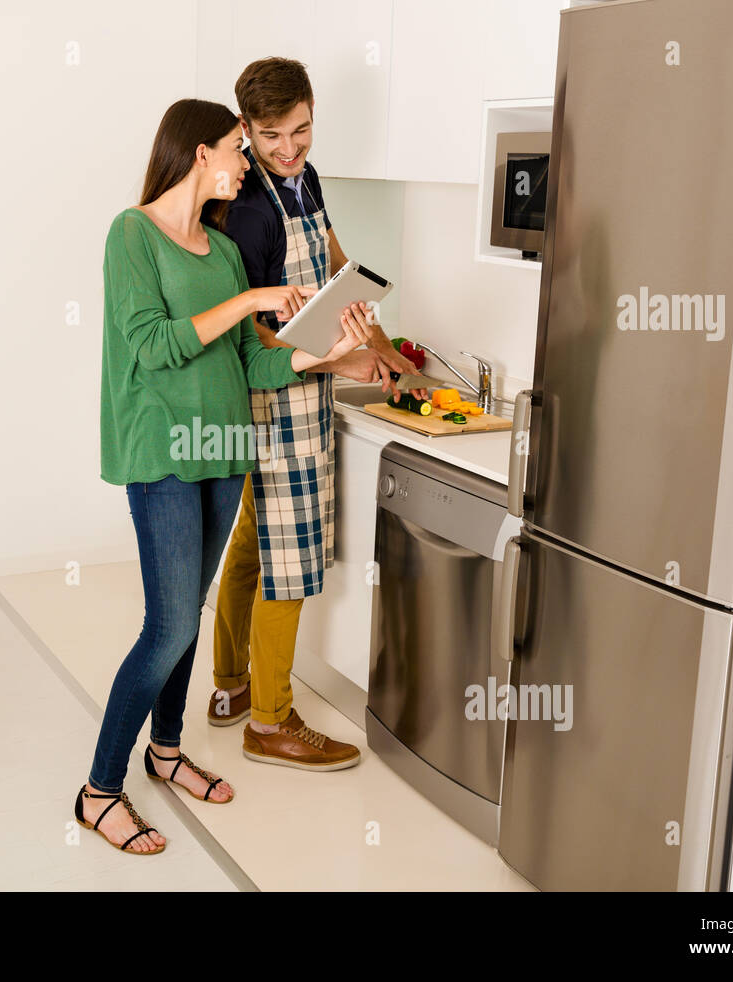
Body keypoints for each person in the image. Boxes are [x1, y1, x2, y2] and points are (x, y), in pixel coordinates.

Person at [79, 98, 376, 854]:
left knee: (189, 616)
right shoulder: (131, 235)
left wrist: (334, 353)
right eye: (239, 150)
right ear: (199, 151)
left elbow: (253, 361)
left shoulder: (224, 250)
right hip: (163, 455)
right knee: (170, 625)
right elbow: (152, 346)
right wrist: (253, 300)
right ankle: (99, 791)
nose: (247, 165)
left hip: (223, 452)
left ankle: (167, 752)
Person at [209, 57, 425, 769]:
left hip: (302, 393)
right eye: (272, 138)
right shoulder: (248, 208)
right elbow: (255, 336)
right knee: (291, 564)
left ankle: (231, 685)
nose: (291, 149)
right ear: (246, 129)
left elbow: (332, 263)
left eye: (302, 131)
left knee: (252, 543)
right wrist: (344, 359)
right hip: (275, 400)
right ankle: (271, 722)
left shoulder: (304, 179)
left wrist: (384, 345)